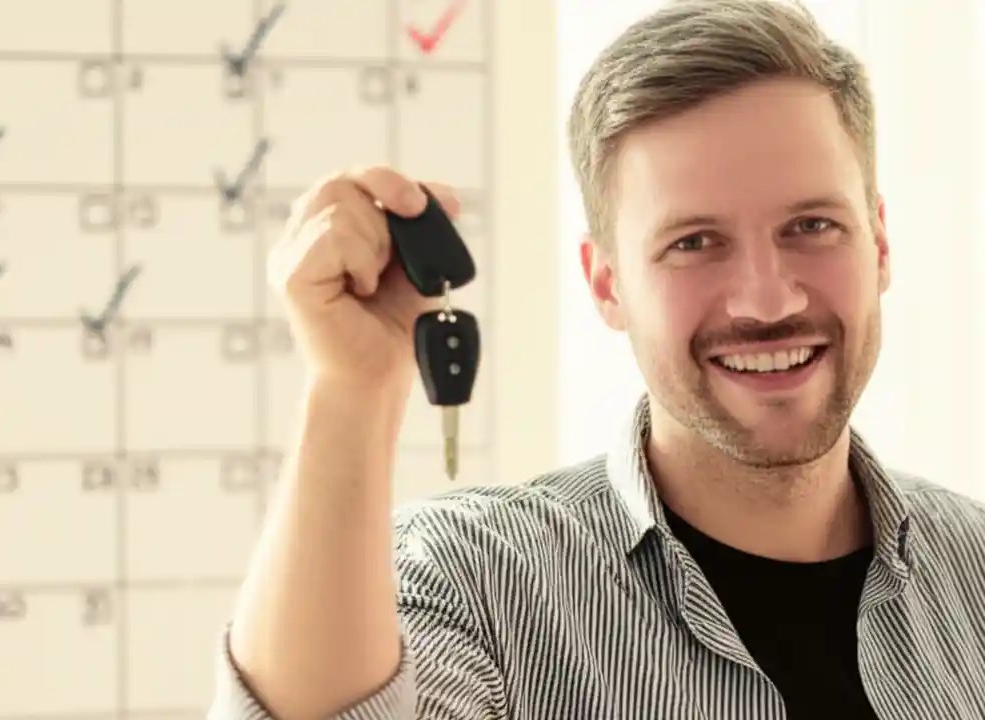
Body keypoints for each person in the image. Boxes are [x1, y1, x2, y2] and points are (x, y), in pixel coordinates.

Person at [208, 1, 985, 718]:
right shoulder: (473, 581)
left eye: (811, 226)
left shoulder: (975, 568)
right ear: (606, 284)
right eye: (693, 243)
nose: (767, 300)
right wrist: (352, 390)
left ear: (879, 244)